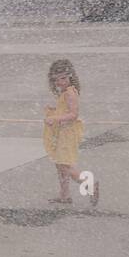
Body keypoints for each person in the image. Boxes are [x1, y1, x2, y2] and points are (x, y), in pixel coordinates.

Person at [43, 59, 99, 207]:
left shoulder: (70, 93)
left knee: (65, 165)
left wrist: (54, 118)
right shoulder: (64, 92)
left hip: (68, 133)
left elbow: (73, 115)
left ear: (70, 77)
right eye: (56, 79)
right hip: (62, 131)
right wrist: (54, 111)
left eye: (63, 78)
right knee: (59, 163)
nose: (60, 82)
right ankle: (65, 195)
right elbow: (66, 111)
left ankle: (89, 184)